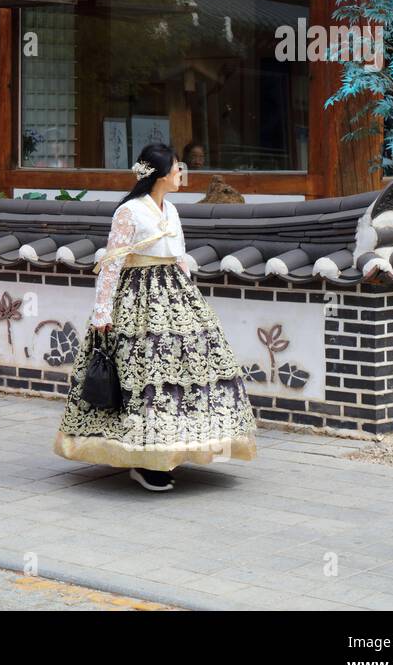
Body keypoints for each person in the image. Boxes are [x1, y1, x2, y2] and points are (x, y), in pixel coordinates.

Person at [54, 143, 257, 491]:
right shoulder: (129, 212)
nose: (182, 174)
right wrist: (103, 311)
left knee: (186, 371)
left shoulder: (172, 210)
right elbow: (111, 262)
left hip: (175, 293)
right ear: (161, 174)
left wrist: (190, 298)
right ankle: (146, 460)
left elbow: (179, 256)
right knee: (146, 372)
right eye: (178, 169)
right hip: (138, 296)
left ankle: (176, 448)